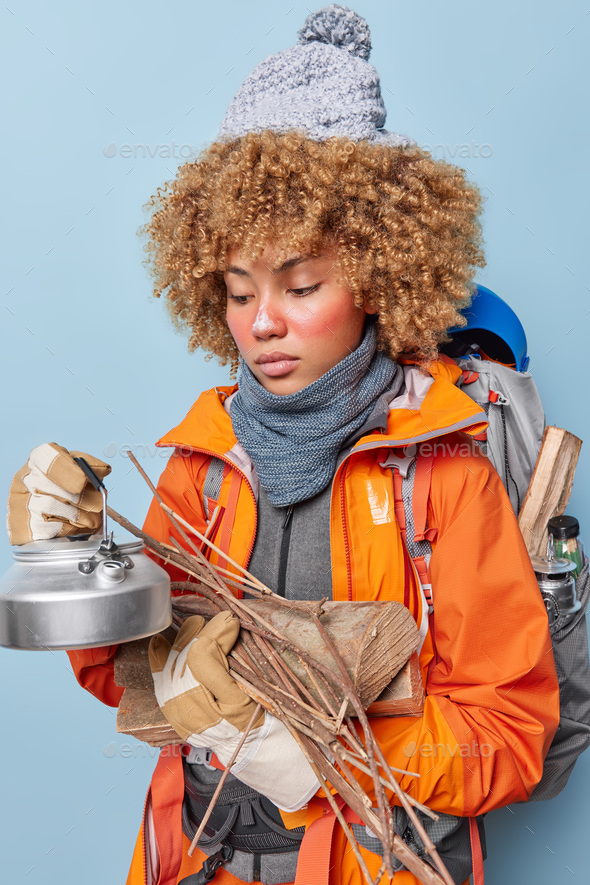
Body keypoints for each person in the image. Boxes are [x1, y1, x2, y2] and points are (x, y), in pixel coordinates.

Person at [7, 6, 559, 884]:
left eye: (301, 284)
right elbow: (131, 678)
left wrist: (330, 756)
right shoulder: (202, 462)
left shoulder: (445, 477)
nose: (261, 322)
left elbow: (511, 735)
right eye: (236, 291)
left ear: (380, 275)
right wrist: (73, 559)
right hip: (193, 862)